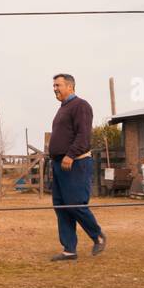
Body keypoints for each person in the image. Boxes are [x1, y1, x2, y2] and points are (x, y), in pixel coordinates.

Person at [48, 73, 106, 261]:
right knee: (61, 206)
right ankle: (69, 249)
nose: (55, 88)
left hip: (76, 162)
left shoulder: (81, 106)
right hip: (59, 164)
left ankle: (97, 236)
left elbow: (83, 136)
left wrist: (70, 155)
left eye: (58, 85)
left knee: (75, 204)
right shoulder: (63, 108)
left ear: (70, 87)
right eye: (54, 86)